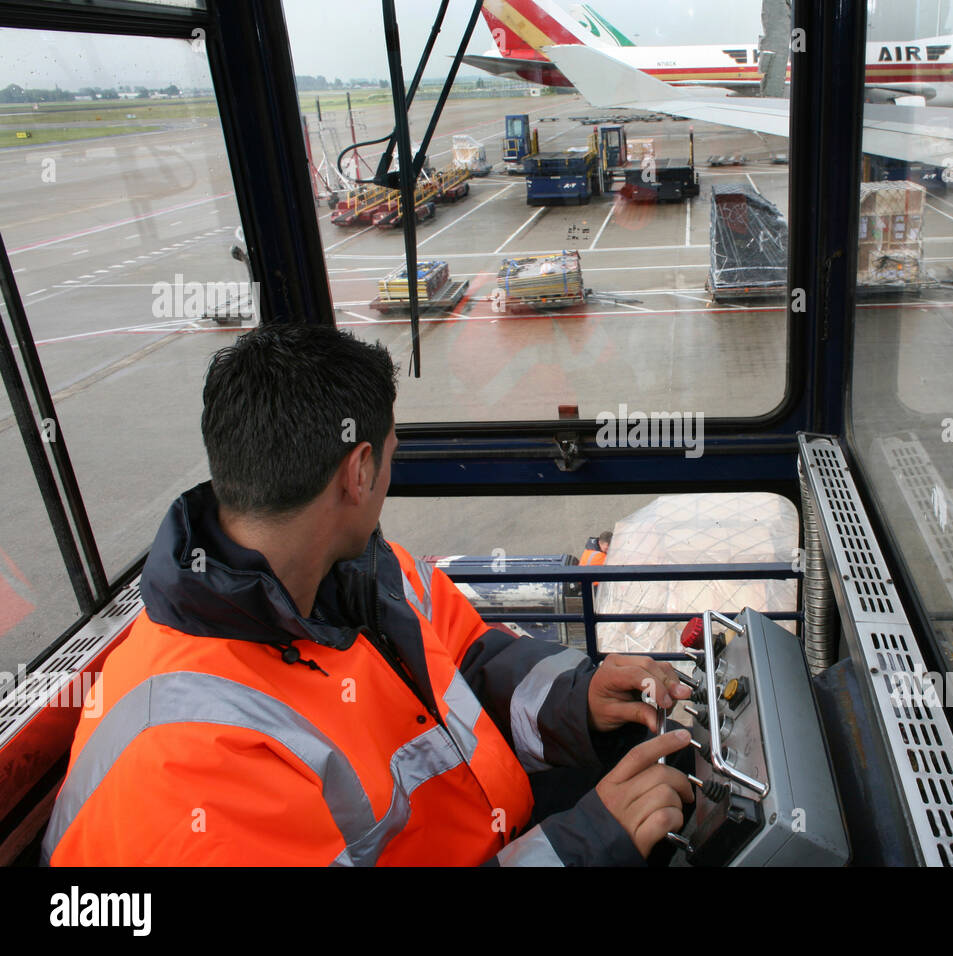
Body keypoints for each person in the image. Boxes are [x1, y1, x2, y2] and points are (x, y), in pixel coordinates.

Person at [41, 324, 693, 866]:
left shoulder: (360, 571)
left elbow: (467, 661)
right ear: (358, 471)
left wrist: (576, 701)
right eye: (391, 455)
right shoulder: (191, 768)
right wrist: (587, 846)